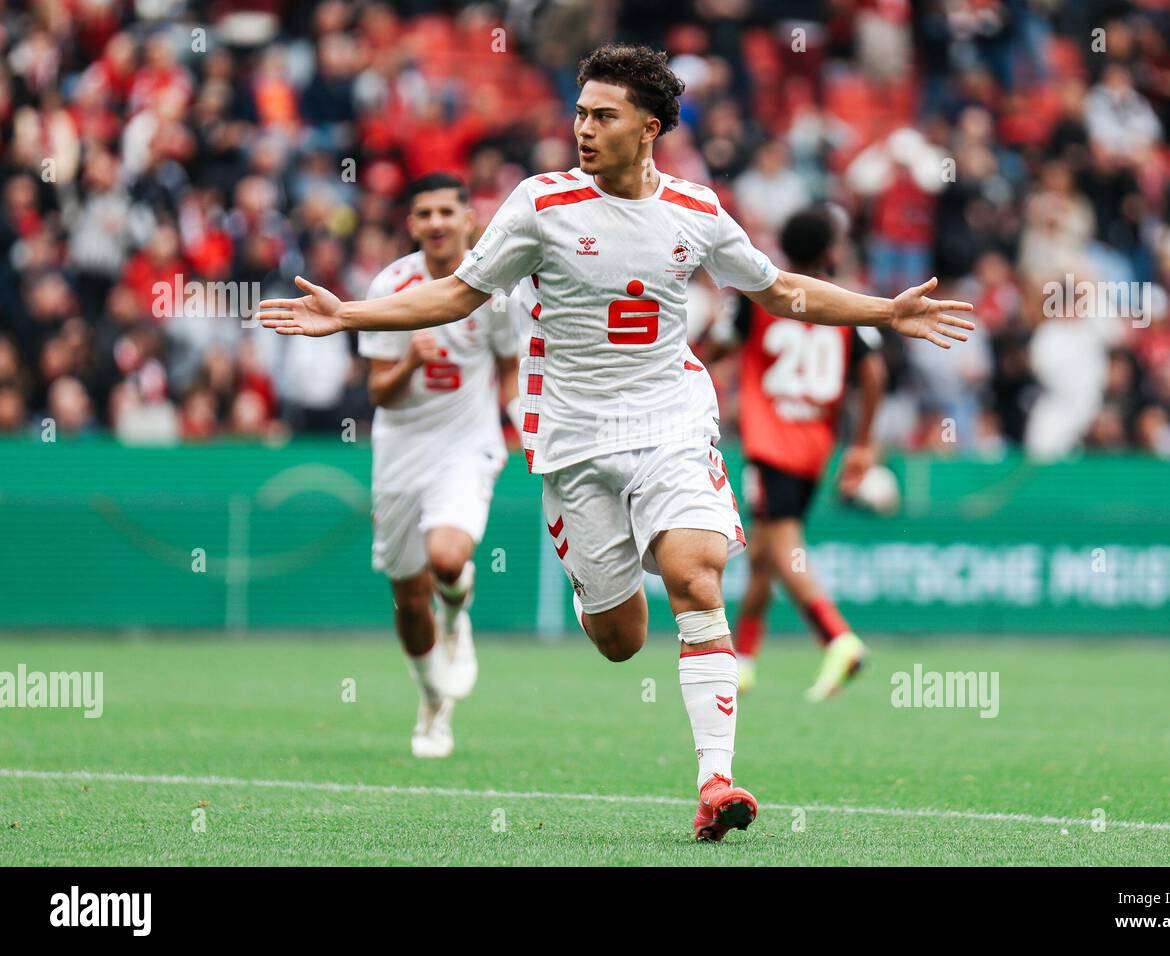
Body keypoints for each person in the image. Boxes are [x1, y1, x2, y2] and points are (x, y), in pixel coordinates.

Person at [257, 44, 975, 842]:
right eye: (580, 113)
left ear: (651, 128)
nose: (584, 129)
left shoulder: (697, 212)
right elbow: (459, 293)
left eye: (603, 116)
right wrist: (349, 314)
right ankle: (599, 585)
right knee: (620, 640)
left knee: (695, 577)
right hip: (572, 443)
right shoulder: (540, 205)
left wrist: (885, 311)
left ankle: (716, 782)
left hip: (672, 420)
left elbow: (783, 290)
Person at [359, 172, 521, 758]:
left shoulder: (493, 290)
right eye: (423, 214)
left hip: (466, 443)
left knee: (446, 556)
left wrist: (514, 422)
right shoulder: (390, 286)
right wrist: (407, 361)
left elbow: (509, 365)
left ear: (468, 219)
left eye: (445, 212)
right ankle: (433, 701)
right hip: (401, 450)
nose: (435, 223)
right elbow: (378, 392)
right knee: (406, 596)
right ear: (411, 224)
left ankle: (458, 607)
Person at [701, 205, 887, 700]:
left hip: (772, 440)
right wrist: (862, 443)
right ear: (831, 250)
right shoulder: (844, 302)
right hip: (815, 443)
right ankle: (743, 660)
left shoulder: (760, 294)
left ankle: (837, 637)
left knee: (782, 545)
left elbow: (712, 349)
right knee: (763, 551)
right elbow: (873, 372)